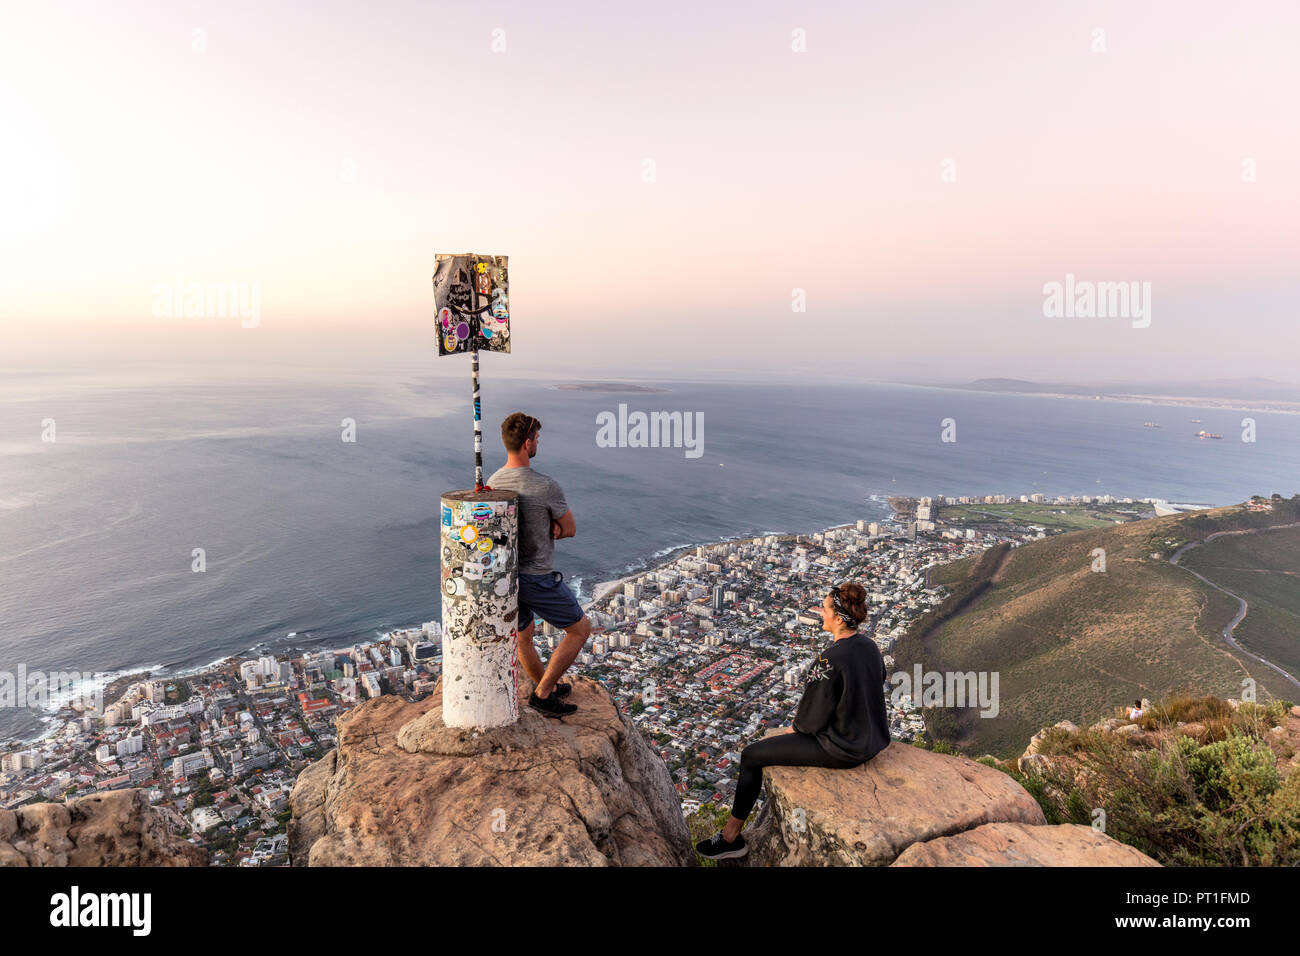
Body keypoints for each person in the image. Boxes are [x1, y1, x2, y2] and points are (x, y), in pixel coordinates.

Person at [695, 581, 891, 861]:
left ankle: (730, 838)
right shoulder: (870, 646)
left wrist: (794, 730)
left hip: (843, 748)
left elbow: (810, 719)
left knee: (751, 756)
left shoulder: (828, 659)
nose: (820, 613)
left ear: (837, 618)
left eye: (823, 609)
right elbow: (876, 681)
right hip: (873, 740)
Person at [485, 412, 592, 718]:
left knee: (524, 636)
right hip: (537, 577)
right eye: (537, 440)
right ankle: (543, 695)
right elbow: (569, 528)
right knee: (580, 629)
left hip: (506, 577)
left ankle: (544, 683)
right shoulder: (544, 486)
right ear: (528, 442)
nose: (537, 444)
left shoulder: (493, 482)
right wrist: (552, 527)